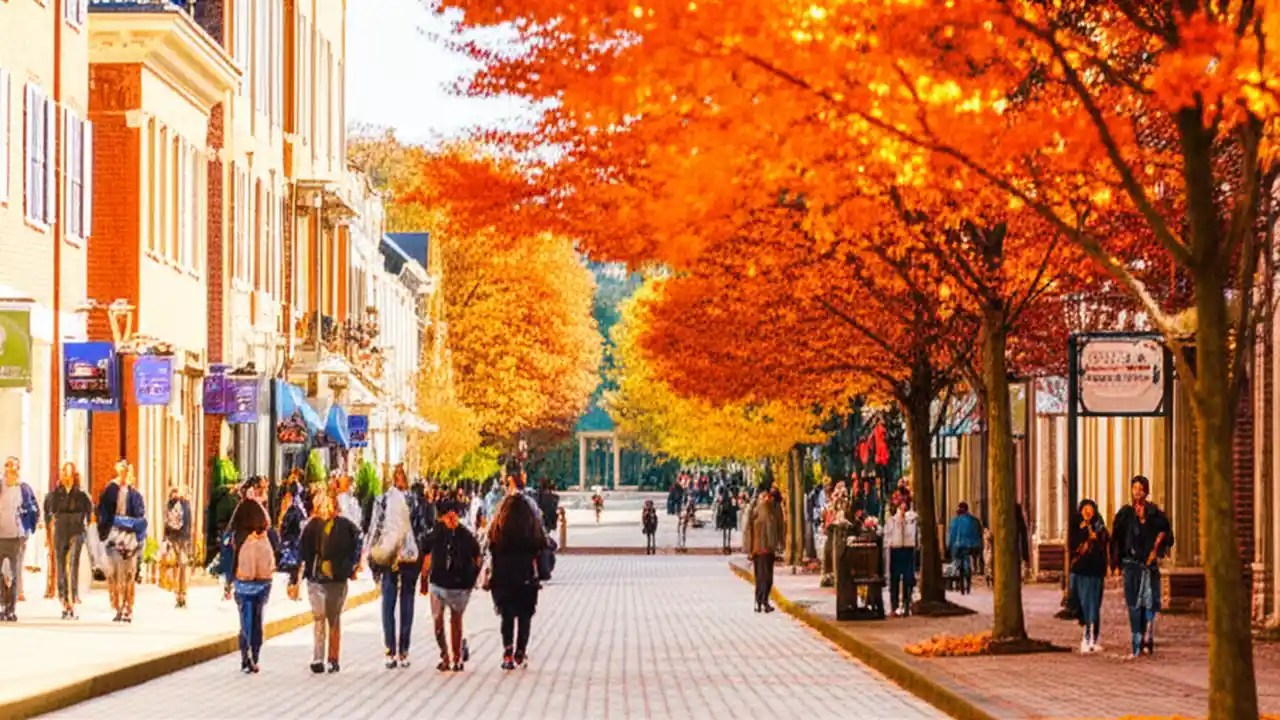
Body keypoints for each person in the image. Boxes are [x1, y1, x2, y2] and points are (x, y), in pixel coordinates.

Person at [1111, 475, 1173, 659]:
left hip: (1149, 565)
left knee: (1150, 601)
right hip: (1131, 565)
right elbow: (1116, 539)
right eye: (1135, 488)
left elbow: (1167, 533)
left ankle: (1148, 636)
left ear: (1146, 491)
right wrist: (1115, 563)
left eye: (1141, 488)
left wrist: (1159, 547)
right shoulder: (1125, 515)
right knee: (1133, 603)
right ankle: (1136, 638)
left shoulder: (1155, 513)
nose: (1137, 492)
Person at [300, 492, 362, 674]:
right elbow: (303, 552)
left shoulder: (344, 525)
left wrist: (352, 566)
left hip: (337, 579)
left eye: (328, 505)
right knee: (319, 618)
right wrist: (297, 577)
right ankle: (318, 658)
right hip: (316, 579)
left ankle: (333, 659)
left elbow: (358, 541)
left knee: (333, 618)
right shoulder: (312, 526)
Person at [368, 465, 420, 669]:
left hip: (393, 555)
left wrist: (372, 556)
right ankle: (400, 650)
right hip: (403, 557)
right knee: (401, 600)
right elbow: (420, 527)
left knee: (391, 601)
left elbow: (375, 528)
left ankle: (393, 649)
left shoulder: (385, 500)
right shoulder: (412, 501)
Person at [488, 491, 547, 670]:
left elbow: (491, 547)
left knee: (507, 616)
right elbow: (542, 545)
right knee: (524, 616)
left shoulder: (499, 529)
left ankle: (507, 651)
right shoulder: (531, 530)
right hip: (526, 576)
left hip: (503, 577)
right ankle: (520, 650)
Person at [424, 499, 481, 672]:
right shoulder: (438, 532)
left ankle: (454, 657)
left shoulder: (463, 534)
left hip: (455, 585)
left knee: (451, 621)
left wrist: (473, 578)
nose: (450, 517)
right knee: (441, 621)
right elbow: (426, 553)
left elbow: (477, 554)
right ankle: (448, 656)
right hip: (443, 584)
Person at [96, 461, 146, 622]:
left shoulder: (135, 495)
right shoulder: (110, 490)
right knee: (114, 574)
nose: (124, 475)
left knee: (128, 574)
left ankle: (127, 607)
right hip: (113, 536)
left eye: (126, 472)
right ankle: (117, 606)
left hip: (129, 538)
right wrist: (104, 530)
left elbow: (140, 517)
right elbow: (102, 512)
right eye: (121, 472)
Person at [44, 461, 92, 619]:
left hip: (77, 530)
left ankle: (72, 597)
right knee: (60, 564)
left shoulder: (81, 494)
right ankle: (64, 598)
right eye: (65, 473)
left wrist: (84, 526)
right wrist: (48, 534)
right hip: (60, 530)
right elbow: (48, 514)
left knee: (72, 562)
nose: (67, 477)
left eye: (69, 473)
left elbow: (90, 514)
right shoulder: (55, 495)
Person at [234, 514, 276, 674]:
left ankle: (249, 656)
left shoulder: (246, 538)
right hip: (253, 584)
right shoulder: (264, 539)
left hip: (252, 584)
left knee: (250, 623)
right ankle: (250, 657)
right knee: (252, 621)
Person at [0, 456, 39, 621]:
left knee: (14, 573)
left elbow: (34, 510)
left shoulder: (24, 489)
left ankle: (11, 608)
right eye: (9, 467)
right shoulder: (0, 487)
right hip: (0, 536)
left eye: (15, 468)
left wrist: (28, 528)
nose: (12, 471)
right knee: (1, 574)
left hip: (17, 537)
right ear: (5, 469)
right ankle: (2, 605)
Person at [1068, 498, 1109, 654]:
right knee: (1085, 604)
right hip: (1080, 571)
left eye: (1090, 509)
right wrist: (1085, 532)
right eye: (1085, 508)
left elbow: (1105, 544)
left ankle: (1092, 638)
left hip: (1096, 570)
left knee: (1095, 604)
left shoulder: (1100, 526)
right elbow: (1072, 545)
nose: (1088, 511)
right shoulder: (1076, 525)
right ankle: (1086, 637)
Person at [744, 484, 783, 612]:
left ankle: (763, 600)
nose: (766, 499)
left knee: (768, 578)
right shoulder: (754, 512)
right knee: (761, 577)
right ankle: (760, 601)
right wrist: (749, 549)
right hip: (758, 549)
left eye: (768, 496)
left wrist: (779, 546)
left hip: (769, 549)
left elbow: (779, 528)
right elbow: (748, 530)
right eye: (763, 496)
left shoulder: (773, 511)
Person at [884, 496, 919, 617]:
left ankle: (906, 604)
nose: (903, 509)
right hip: (896, 549)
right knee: (895, 579)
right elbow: (887, 536)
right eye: (901, 507)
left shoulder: (912, 519)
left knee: (908, 579)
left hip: (908, 549)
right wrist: (889, 546)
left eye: (905, 506)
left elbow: (915, 534)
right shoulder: (892, 520)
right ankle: (894, 606)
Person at [163, 485, 192, 608]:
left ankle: (178, 594)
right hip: (182, 539)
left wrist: (166, 538)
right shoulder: (185, 505)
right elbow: (189, 523)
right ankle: (182, 595)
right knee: (182, 567)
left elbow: (166, 523)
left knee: (176, 568)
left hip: (174, 539)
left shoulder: (169, 505)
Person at [277, 481, 307, 601]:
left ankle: (296, 591)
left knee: (298, 569)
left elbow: (284, 527)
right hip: (295, 543)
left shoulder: (293, 510)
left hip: (295, 543)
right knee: (297, 569)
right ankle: (294, 592)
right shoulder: (297, 510)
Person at [946, 502, 983, 595]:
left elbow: (951, 536)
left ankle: (950, 579)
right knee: (966, 559)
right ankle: (968, 573)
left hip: (959, 546)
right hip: (973, 546)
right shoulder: (974, 520)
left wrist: (949, 547)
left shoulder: (955, 521)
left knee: (954, 560)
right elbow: (980, 533)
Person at [714, 482, 737, 555]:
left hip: (724, 516)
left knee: (725, 531)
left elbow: (719, 505)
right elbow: (734, 506)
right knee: (728, 532)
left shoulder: (723, 496)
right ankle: (727, 545)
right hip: (729, 516)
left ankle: (725, 545)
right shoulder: (731, 495)